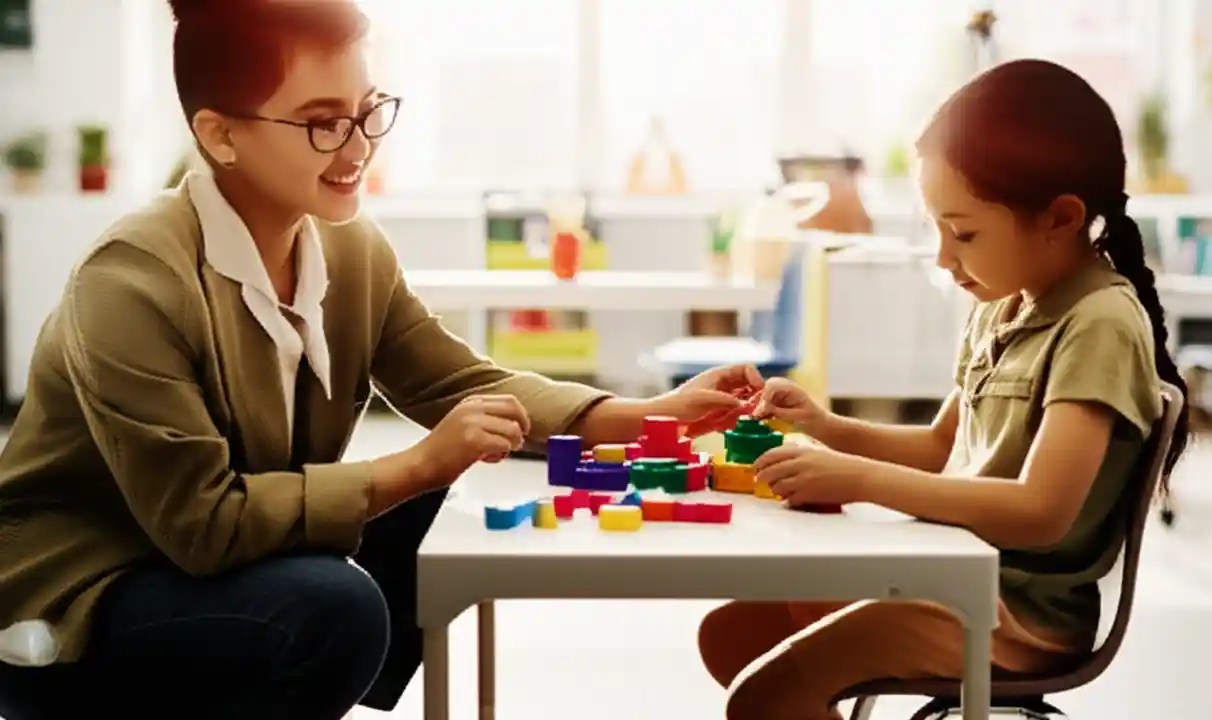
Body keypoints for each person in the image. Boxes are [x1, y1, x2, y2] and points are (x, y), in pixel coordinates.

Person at [0, 2, 762, 718]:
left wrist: (644, 416)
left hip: (197, 560)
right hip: (84, 597)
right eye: (322, 124)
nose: (359, 146)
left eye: (368, 111)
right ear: (221, 134)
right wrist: (421, 464)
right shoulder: (131, 282)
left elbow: (458, 382)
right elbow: (201, 523)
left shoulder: (346, 248)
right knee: (339, 603)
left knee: (435, 519)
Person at [696, 58, 1191, 720]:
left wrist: (860, 480)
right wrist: (826, 428)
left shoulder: (1098, 321)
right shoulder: (1004, 301)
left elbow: (1041, 511)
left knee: (766, 695)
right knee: (735, 631)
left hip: (1011, 613)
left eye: (963, 233)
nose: (942, 258)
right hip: (951, 572)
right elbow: (941, 447)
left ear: (1061, 217)